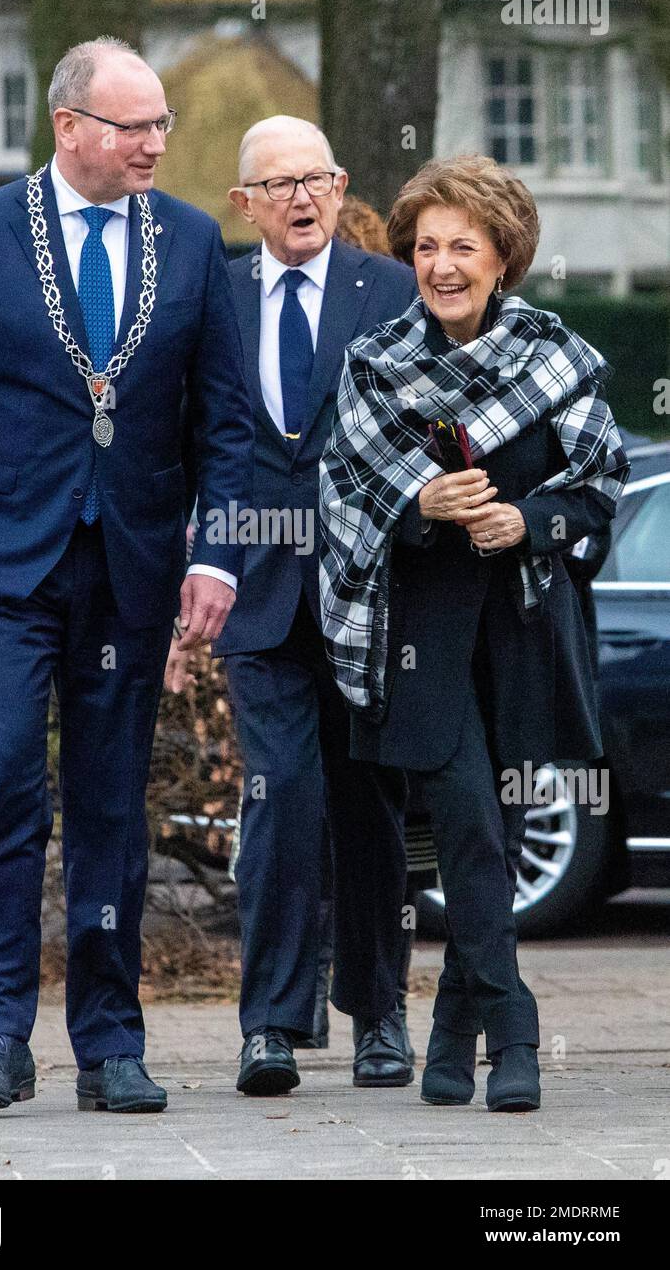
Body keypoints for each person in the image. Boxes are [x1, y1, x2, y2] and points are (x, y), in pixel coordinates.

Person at [0, 37, 253, 1115]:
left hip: (131, 565)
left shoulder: (189, 244)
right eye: (133, 125)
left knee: (108, 803)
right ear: (70, 128)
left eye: (162, 124)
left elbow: (222, 425)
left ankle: (109, 1043)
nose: (154, 143)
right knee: (5, 777)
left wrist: (218, 550)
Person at [320, 154, 630, 1113]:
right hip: (422, 646)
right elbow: (345, 497)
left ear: (504, 259)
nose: (441, 264)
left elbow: (598, 488)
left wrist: (526, 522)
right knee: (465, 828)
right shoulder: (376, 366)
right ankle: (518, 1030)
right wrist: (422, 502)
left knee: (487, 836)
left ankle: (455, 1031)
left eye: (464, 246)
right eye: (426, 247)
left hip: (527, 638)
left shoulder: (557, 357)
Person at [210, 114, 416, 1096]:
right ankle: (272, 1025)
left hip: (368, 594)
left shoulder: (394, 292)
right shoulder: (213, 295)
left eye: (316, 179)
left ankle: (378, 1014)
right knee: (280, 798)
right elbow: (182, 444)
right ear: (244, 202)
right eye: (277, 183)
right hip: (255, 599)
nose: (300, 198)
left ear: (339, 188)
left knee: (369, 809)